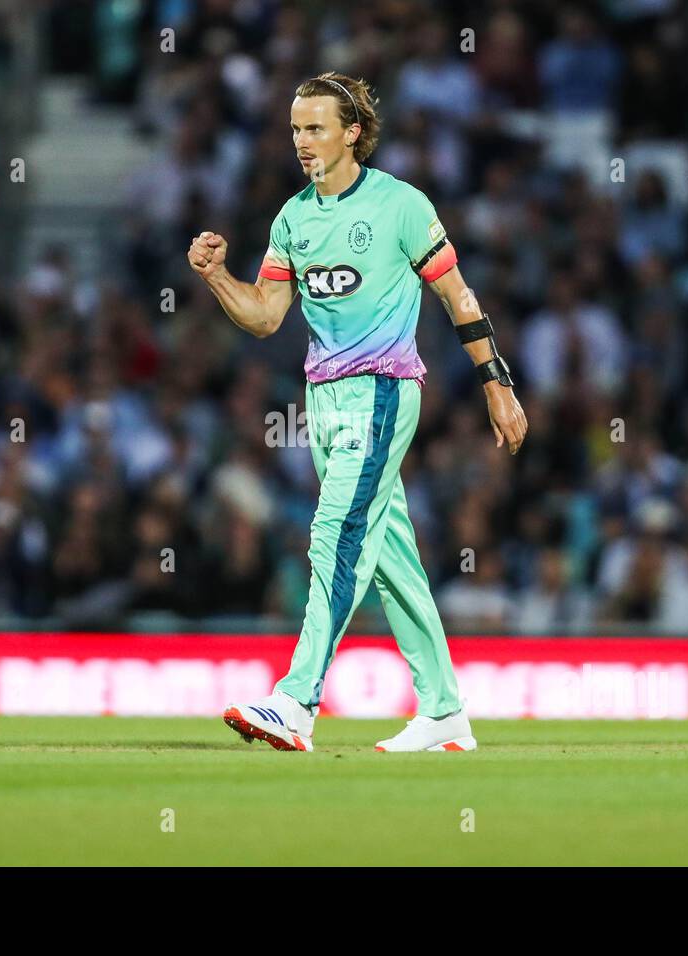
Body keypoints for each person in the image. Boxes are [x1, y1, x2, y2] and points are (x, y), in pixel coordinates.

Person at [187, 72, 527, 752]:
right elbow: (265, 317)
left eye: (315, 128)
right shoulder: (293, 218)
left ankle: (296, 701)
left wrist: (496, 383)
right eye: (295, 130)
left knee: (334, 535)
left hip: (381, 391)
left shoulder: (400, 205)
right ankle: (443, 711)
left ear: (352, 133)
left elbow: (458, 296)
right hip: (324, 402)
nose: (303, 142)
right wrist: (218, 277)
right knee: (390, 554)